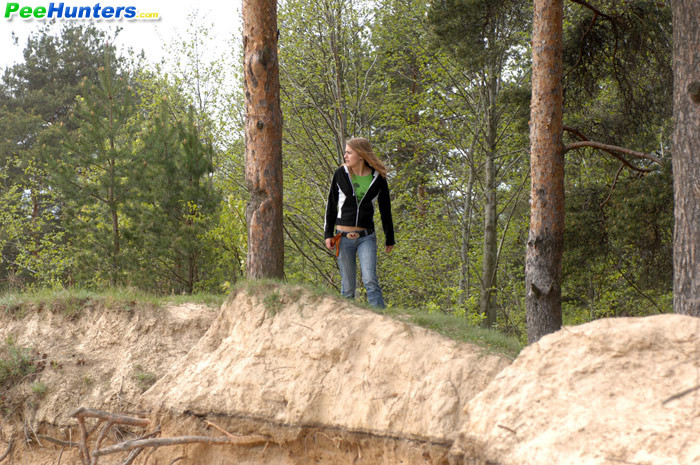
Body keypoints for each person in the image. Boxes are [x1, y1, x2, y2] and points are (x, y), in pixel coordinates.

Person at [324, 137, 395, 308]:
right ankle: (346, 323)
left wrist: (389, 237)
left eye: (349, 152)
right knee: (348, 288)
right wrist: (328, 234)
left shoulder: (378, 178)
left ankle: (381, 320)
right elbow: (331, 206)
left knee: (370, 280)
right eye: (345, 152)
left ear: (361, 155)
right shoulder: (340, 174)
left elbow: (385, 209)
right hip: (343, 237)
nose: (345, 156)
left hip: (366, 237)